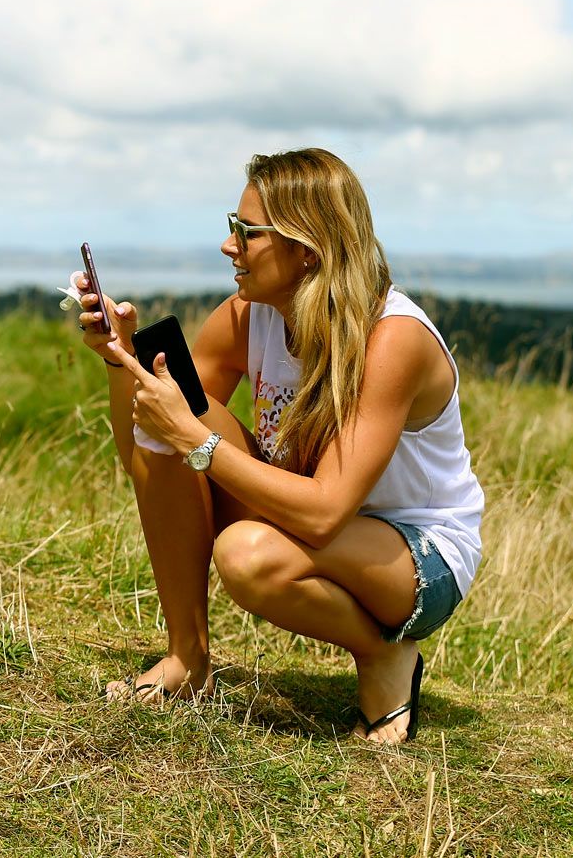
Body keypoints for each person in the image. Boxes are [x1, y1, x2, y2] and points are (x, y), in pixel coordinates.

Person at [74, 148, 483, 744]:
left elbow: (322, 513)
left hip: (416, 556)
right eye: (231, 226)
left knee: (246, 554)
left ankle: (383, 655)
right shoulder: (247, 316)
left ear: (307, 248)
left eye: (247, 231)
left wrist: (200, 442)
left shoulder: (392, 340)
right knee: (181, 412)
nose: (229, 244)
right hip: (318, 518)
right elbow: (153, 454)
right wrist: (121, 361)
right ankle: (187, 661)